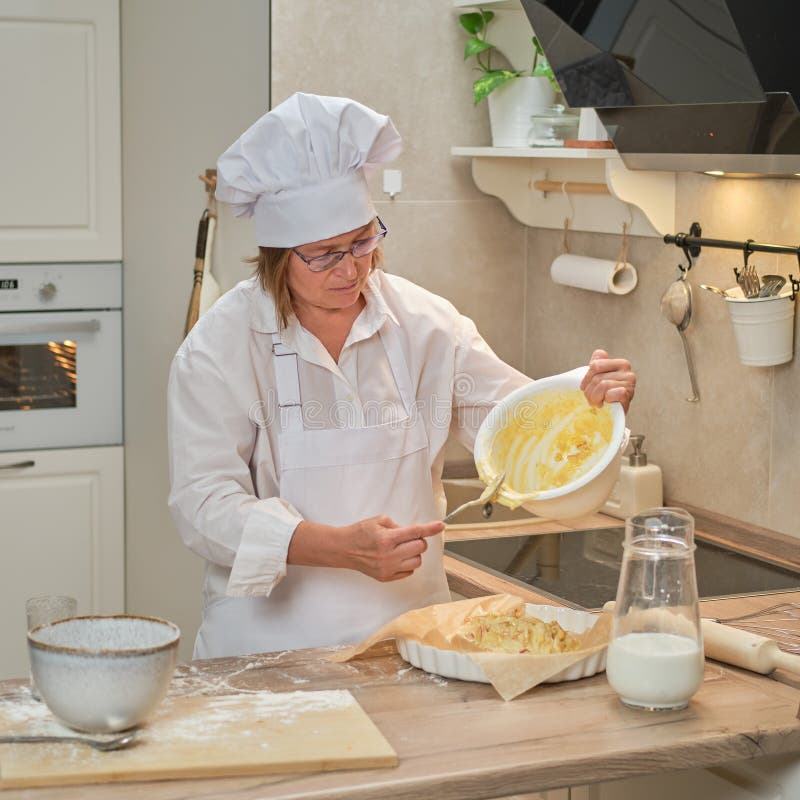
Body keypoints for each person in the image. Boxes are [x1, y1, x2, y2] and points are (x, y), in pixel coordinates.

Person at [167, 93, 636, 659]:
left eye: (364, 241)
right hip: (262, 654)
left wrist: (586, 404)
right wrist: (338, 548)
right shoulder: (219, 348)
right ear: (276, 254)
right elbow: (204, 507)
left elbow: (515, 424)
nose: (351, 269)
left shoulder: (427, 325)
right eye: (324, 254)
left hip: (411, 643)